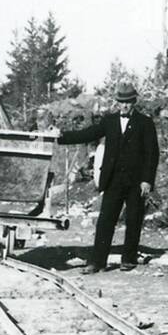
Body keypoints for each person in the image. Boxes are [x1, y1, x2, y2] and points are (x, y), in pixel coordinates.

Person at [51, 82, 159, 273]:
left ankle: (129, 258)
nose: (124, 106)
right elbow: (88, 133)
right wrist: (61, 136)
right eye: (121, 102)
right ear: (117, 102)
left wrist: (147, 180)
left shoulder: (145, 123)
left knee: (134, 220)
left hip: (136, 182)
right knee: (105, 221)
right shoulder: (109, 121)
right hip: (114, 180)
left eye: (128, 102)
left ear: (134, 102)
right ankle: (97, 262)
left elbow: (152, 153)